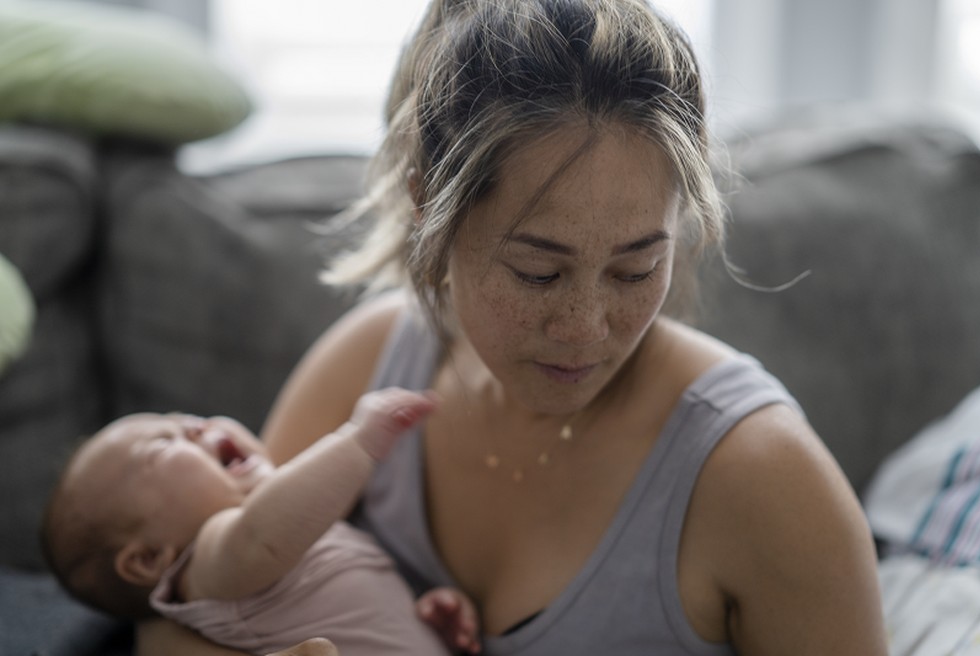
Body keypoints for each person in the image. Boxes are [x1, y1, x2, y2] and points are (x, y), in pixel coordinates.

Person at [139, 0, 889, 654]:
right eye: (539, 272)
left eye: (634, 271)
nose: (587, 328)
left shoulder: (765, 479)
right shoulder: (370, 365)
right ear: (430, 203)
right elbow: (187, 612)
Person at [41, 388, 481, 656]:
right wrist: (357, 440)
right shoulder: (206, 564)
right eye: (163, 442)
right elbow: (259, 534)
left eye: (183, 418)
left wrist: (421, 620)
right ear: (149, 558)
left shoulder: (261, 555)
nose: (196, 424)